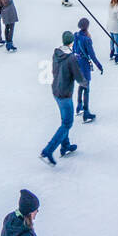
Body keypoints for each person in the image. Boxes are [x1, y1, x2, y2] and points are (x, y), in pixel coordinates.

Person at [41, 31, 87, 165]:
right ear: (71, 42)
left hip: (56, 90)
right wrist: (86, 83)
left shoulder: (56, 53)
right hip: (65, 93)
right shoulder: (71, 58)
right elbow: (78, 77)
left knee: (64, 120)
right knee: (67, 123)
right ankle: (48, 150)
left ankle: (65, 146)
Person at [72, 17, 104, 122]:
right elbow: (92, 55)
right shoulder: (87, 40)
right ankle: (86, 113)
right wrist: (99, 66)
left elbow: (73, 50)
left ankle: (79, 107)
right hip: (84, 66)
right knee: (86, 88)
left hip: (77, 64)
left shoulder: (76, 35)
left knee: (81, 85)